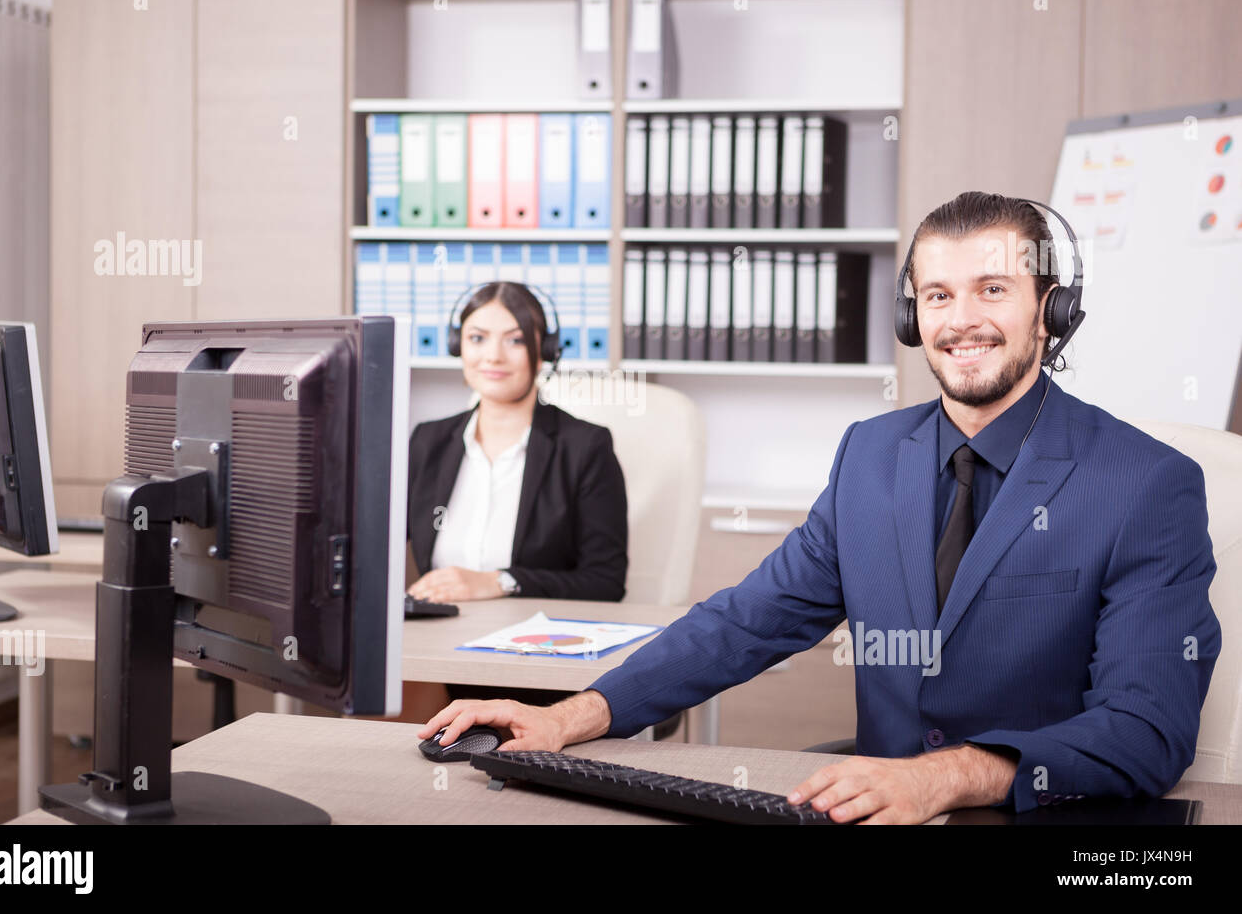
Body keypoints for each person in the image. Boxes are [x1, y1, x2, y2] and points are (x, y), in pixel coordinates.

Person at [418, 192, 1222, 824]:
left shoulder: (1146, 484)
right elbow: (746, 623)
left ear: (1051, 311)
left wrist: (947, 777)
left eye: (993, 290)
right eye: (937, 294)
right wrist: (572, 718)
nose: (962, 319)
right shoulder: (871, 456)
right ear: (913, 317)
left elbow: (1148, 729)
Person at [406, 281, 628, 604]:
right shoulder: (428, 442)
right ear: (458, 347)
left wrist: (502, 581)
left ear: (544, 353)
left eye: (516, 340)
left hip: (533, 640)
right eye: (477, 338)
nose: (493, 356)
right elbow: (374, 548)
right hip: (436, 634)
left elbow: (605, 582)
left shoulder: (586, 448)